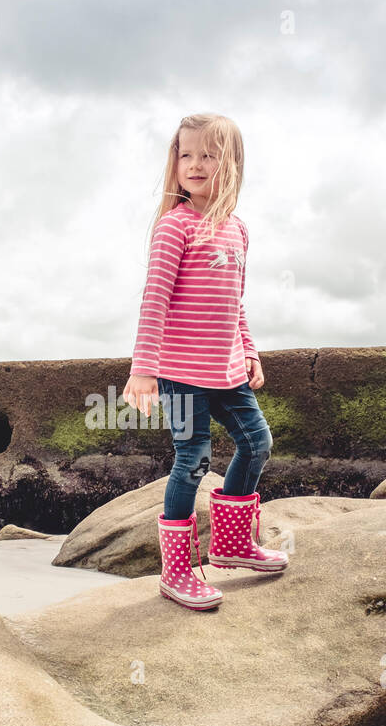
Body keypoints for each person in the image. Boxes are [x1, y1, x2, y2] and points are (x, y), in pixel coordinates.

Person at [123, 112, 288, 612]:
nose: (194, 164)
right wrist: (143, 369)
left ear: (232, 163)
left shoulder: (237, 230)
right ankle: (176, 572)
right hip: (178, 373)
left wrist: (250, 351)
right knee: (192, 459)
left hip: (227, 371)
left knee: (257, 443)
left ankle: (232, 544)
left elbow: (235, 303)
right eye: (185, 154)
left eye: (208, 154)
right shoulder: (175, 227)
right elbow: (155, 300)